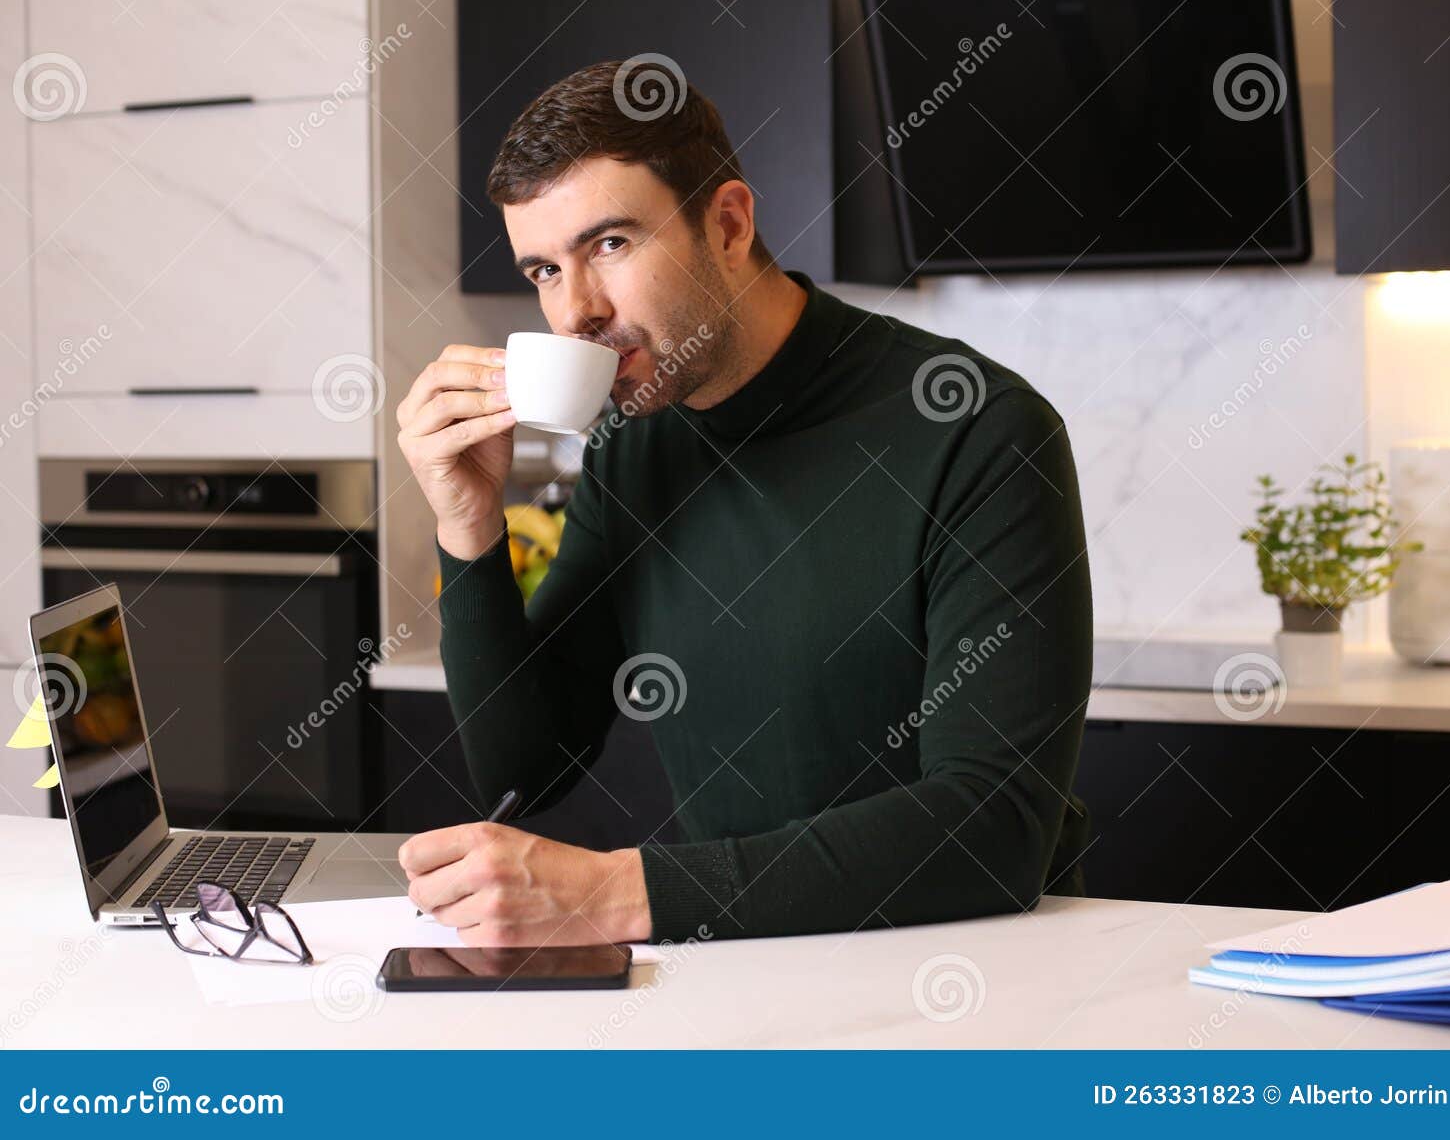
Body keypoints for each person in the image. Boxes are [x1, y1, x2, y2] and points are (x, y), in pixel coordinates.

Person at [394, 60, 1092, 946]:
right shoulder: (634, 451)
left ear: (727, 224)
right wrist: (469, 526)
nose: (575, 310)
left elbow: (998, 826)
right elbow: (527, 766)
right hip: (742, 975)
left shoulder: (978, 428)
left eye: (610, 244)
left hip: (975, 984)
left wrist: (620, 891)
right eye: (543, 268)